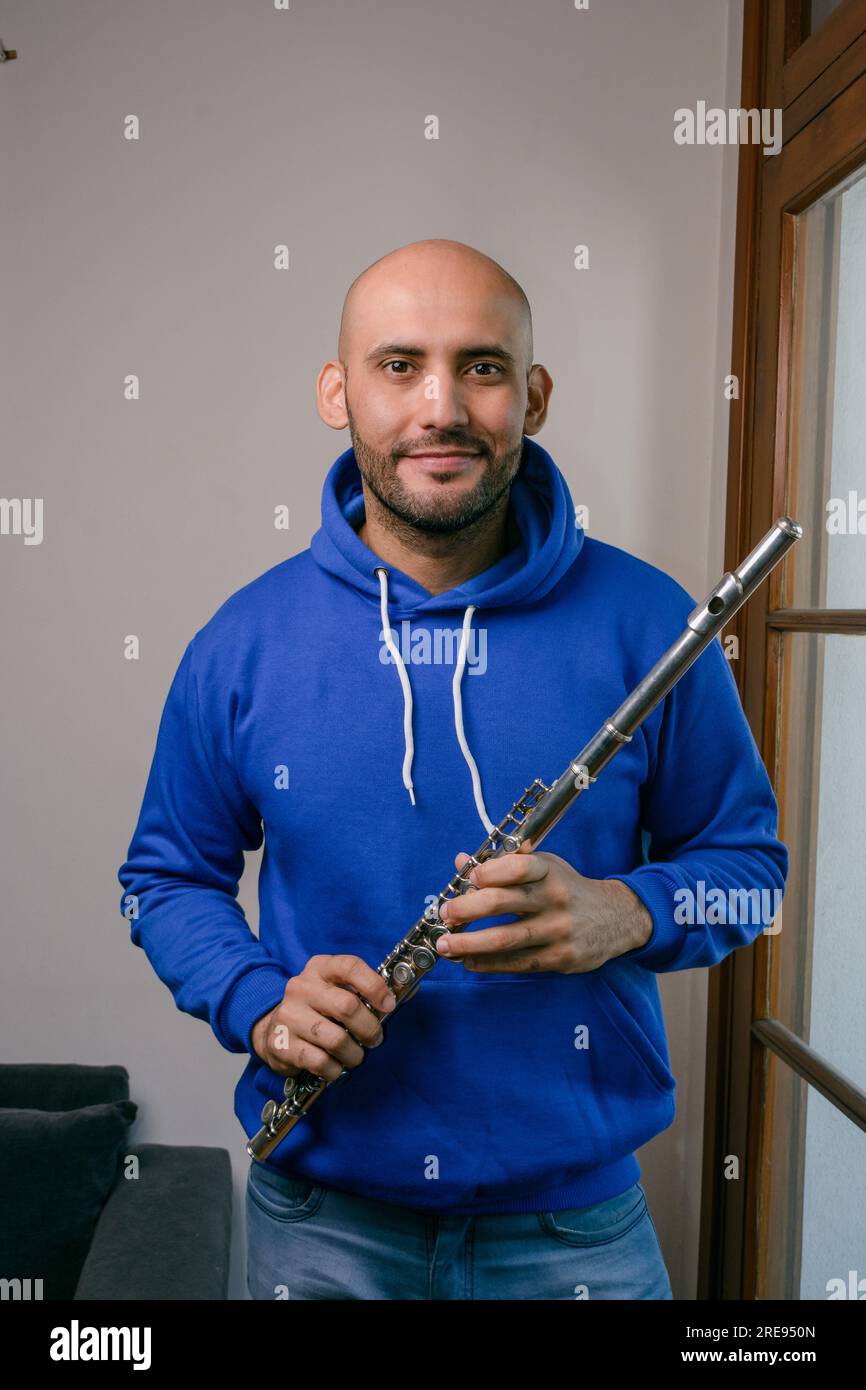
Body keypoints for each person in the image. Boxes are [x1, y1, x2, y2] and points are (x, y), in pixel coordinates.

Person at [117, 238, 788, 1301]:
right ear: (337, 393)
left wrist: (629, 909)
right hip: (320, 1225)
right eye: (398, 365)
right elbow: (163, 880)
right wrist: (258, 1002)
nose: (441, 406)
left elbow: (750, 871)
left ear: (534, 393)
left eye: (480, 366)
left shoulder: (649, 621)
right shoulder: (241, 643)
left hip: (576, 1233)